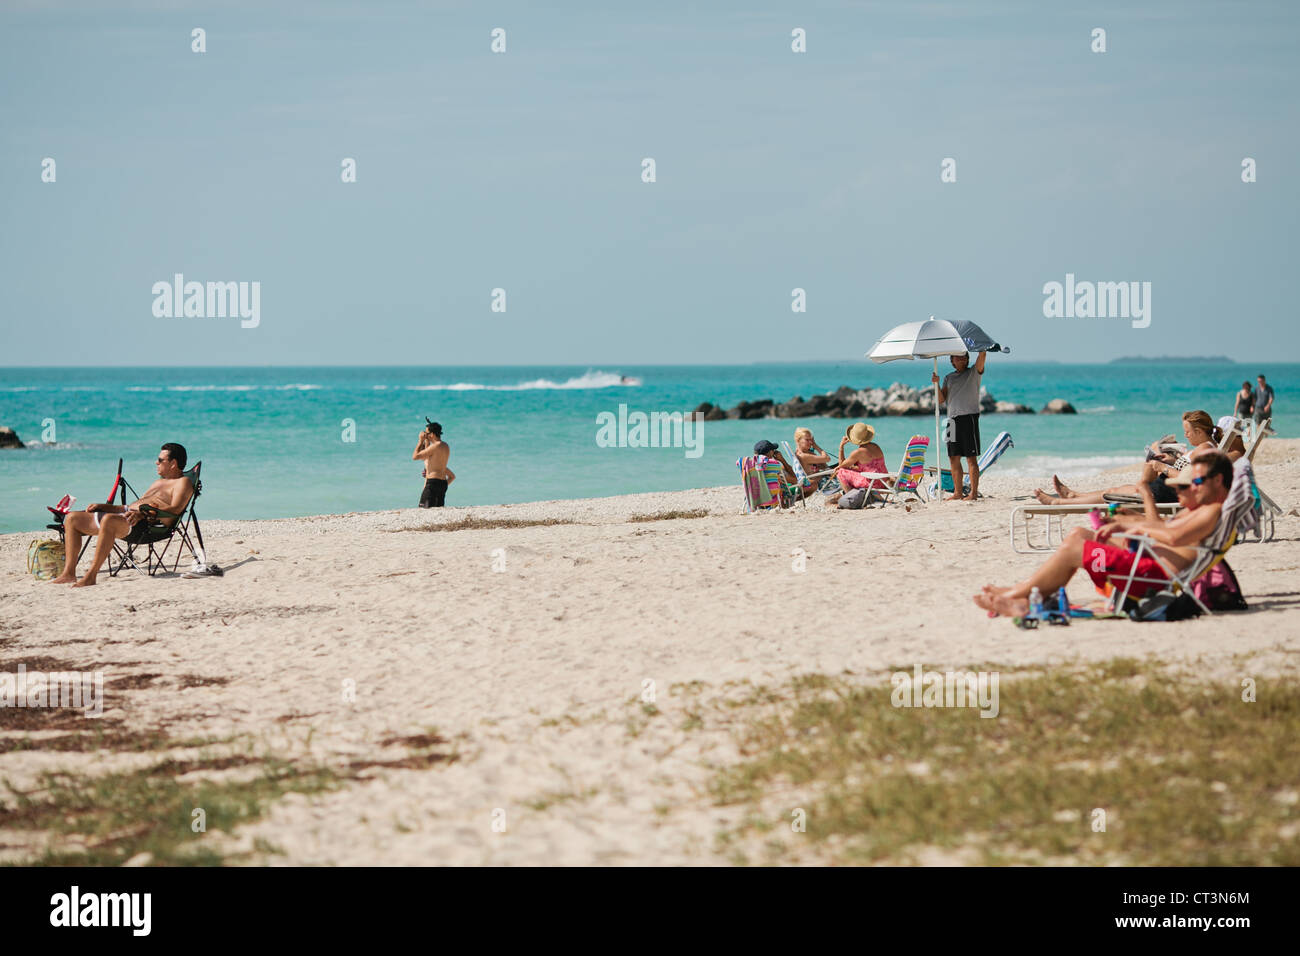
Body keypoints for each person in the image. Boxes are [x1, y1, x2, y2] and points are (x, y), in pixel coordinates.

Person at [976, 451, 1232, 618]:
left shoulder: (1212, 512)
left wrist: (1131, 527)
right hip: (1147, 565)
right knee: (1080, 534)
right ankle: (1023, 592)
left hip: (1151, 576)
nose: (1192, 489)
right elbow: (1166, 529)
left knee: (1077, 544)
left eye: (1197, 483)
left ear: (1218, 481)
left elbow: (1174, 538)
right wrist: (1130, 518)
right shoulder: (1200, 510)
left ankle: (1017, 597)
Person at [51, 443, 194, 587]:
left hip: (147, 526)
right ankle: (69, 573)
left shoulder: (183, 482)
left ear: (173, 464)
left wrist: (142, 515)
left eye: (160, 460)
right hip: (128, 518)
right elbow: (129, 507)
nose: (156, 463)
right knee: (72, 518)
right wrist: (105, 507)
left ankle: (91, 575)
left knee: (108, 520)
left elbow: (174, 510)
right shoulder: (158, 483)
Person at [1036, 410, 1225, 506]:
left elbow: (1192, 479)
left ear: (1200, 431)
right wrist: (1169, 460)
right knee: (1114, 489)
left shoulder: (1205, 451)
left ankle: (1058, 502)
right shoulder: (1202, 448)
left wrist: (1163, 468)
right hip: (1163, 488)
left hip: (1166, 494)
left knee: (1111, 495)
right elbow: (1186, 468)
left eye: (1188, 432)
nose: (1186, 436)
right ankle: (1073, 495)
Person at [932, 350, 988, 501]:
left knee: (971, 458)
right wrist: (936, 384)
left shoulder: (974, 373)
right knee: (953, 457)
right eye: (957, 356)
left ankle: (973, 493)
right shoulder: (948, 378)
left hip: (968, 418)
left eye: (963, 356)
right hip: (951, 420)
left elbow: (982, 358)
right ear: (952, 360)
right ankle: (957, 493)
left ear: (967, 359)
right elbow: (941, 400)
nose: (960, 358)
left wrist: (982, 349)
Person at [828, 422, 888, 505]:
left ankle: (852, 497)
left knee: (840, 472)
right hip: (883, 481)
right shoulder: (876, 446)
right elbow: (870, 466)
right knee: (849, 470)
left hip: (873, 483)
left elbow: (841, 465)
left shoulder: (858, 452)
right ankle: (861, 496)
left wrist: (841, 447)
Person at [413, 420, 455, 508]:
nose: (425, 435)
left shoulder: (435, 446)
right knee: (437, 510)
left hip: (432, 484)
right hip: (442, 483)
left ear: (432, 434)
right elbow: (430, 458)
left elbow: (415, 457)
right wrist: (427, 442)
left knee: (424, 510)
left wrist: (420, 441)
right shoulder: (445, 445)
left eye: (427, 433)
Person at [792, 427, 842, 499]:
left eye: (811, 440)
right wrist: (815, 446)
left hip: (823, 478)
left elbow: (824, 465)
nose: (811, 442)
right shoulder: (803, 456)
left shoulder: (802, 453)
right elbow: (827, 459)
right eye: (807, 440)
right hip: (822, 484)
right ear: (798, 440)